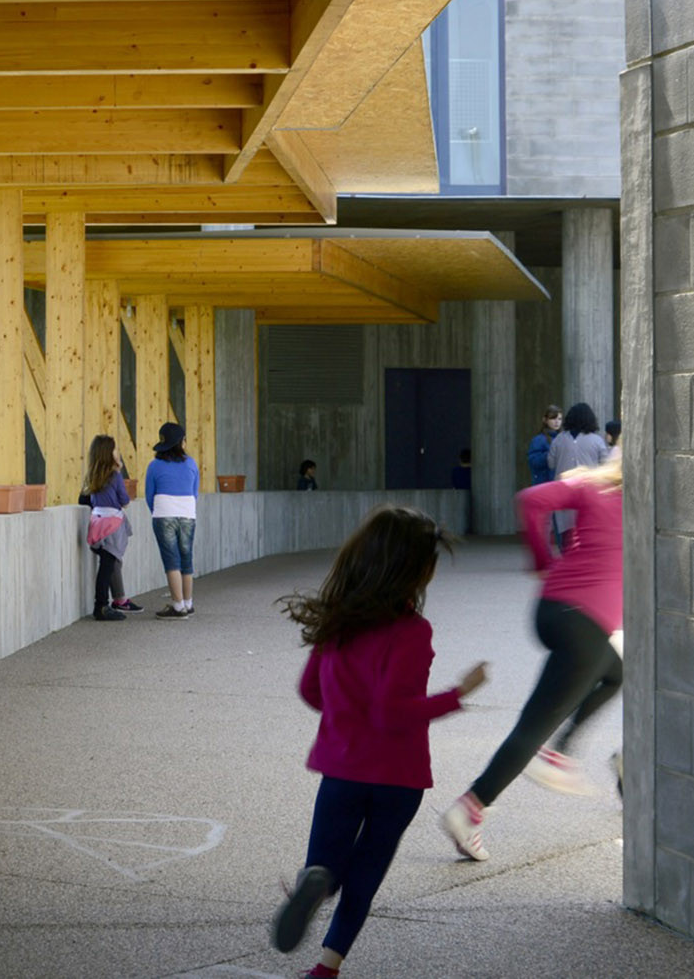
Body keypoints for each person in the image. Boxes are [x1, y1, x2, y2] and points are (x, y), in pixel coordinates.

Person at [271, 506, 488, 978]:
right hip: (398, 776)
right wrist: (458, 694)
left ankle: (318, 882)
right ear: (416, 572)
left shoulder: (339, 622)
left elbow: (311, 690)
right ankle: (326, 967)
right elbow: (394, 712)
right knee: (368, 869)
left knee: (326, 864)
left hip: (342, 767)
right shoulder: (413, 632)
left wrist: (346, 713)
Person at [440, 455, 624, 862]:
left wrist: (544, 561)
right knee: (532, 728)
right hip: (586, 627)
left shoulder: (592, 486)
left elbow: (530, 499)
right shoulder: (643, 505)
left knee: (617, 674)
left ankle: (559, 751)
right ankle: (471, 806)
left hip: (551, 610)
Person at [145, 423, 200, 618]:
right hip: (188, 514)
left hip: (163, 513)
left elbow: (149, 495)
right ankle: (188, 603)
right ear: (181, 443)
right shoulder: (191, 463)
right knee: (186, 558)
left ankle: (177, 607)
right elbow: (195, 492)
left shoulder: (154, 465)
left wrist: (158, 511)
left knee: (171, 560)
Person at [81, 435, 132, 622]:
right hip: (112, 526)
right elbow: (124, 501)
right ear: (108, 453)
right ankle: (101, 606)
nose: (117, 452)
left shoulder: (91, 475)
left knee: (106, 564)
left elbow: (84, 498)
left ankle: (112, 601)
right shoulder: (114, 476)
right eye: (114, 449)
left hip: (96, 523)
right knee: (107, 567)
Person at [546, 402, 610, 549]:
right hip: (590, 493)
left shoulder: (559, 440)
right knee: (588, 535)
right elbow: (605, 465)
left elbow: (550, 463)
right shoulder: (597, 440)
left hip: (563, 493)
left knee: (565, 536)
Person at [526, 406, 562, 486]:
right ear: (545, 420)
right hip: (543, 484)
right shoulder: (538, 440)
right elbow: (533, 462)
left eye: (559, 419)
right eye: (553, 418)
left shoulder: (563, 439)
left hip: (559, 484)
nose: (557, 422)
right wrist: (551, 454)